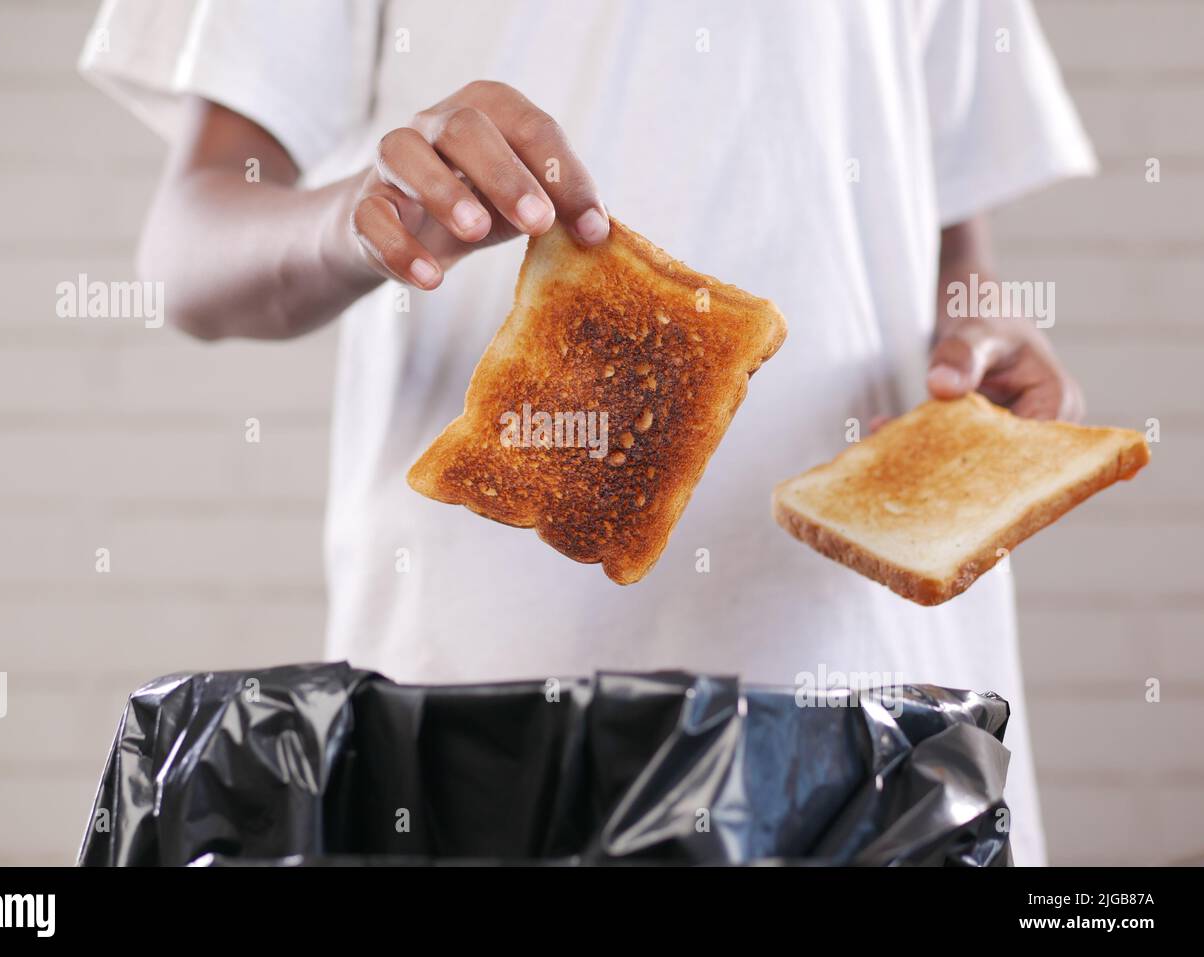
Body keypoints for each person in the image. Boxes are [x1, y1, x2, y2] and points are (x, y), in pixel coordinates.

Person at [80, 0, 1096, 866]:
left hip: (883, 695)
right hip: (477, 706)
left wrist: (978, 327)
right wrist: (357, 216)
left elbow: (950, 235)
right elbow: (188, 247)